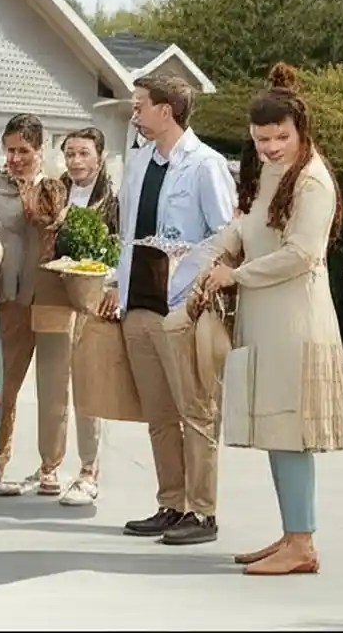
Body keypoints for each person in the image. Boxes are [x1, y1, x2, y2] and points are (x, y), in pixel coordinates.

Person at [199, 63, 343, 575]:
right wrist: (219, 251)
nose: (270, 147)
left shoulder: (313, 181)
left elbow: (301, 254)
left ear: (300, 131)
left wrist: (235, 275)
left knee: (290, 431)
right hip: (266, 317)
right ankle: (293, 535)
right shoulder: (271, 171)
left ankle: (302, 544)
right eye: (262, 137)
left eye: (280, 137)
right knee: (276, 429)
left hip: (295, 321)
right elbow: (249, 223)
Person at [99, 74, 237, 545]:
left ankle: (203, 513)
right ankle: (171, 503)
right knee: (158, 413)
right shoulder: (137, 163)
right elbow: (127, 232)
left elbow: (225, 236)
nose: (134, 113)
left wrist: (196, 289)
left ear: (167, 111)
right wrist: (116, 282)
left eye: (140, 106)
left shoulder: (206, 165)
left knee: (196, 411)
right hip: (138, 302)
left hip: (181, 308)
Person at [0, 114, 72, 497]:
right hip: (10, 298)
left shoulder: (58, 188)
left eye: (23, 151)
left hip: (51, 296)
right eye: (10, 150)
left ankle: (51, 468)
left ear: (40, 149)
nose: (15, 158)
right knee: (6, 387)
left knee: (53, 390)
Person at [39, 128, 120, 506]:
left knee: (89, 386)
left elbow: (122, 247)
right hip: (55, 294)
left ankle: (89, 470)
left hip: (94, 298)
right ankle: (48, 466)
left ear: (99, 157)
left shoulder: (113, 200)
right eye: (70, 153)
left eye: (83, 153)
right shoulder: (54, 192)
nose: (75, 161)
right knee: (53, 386)